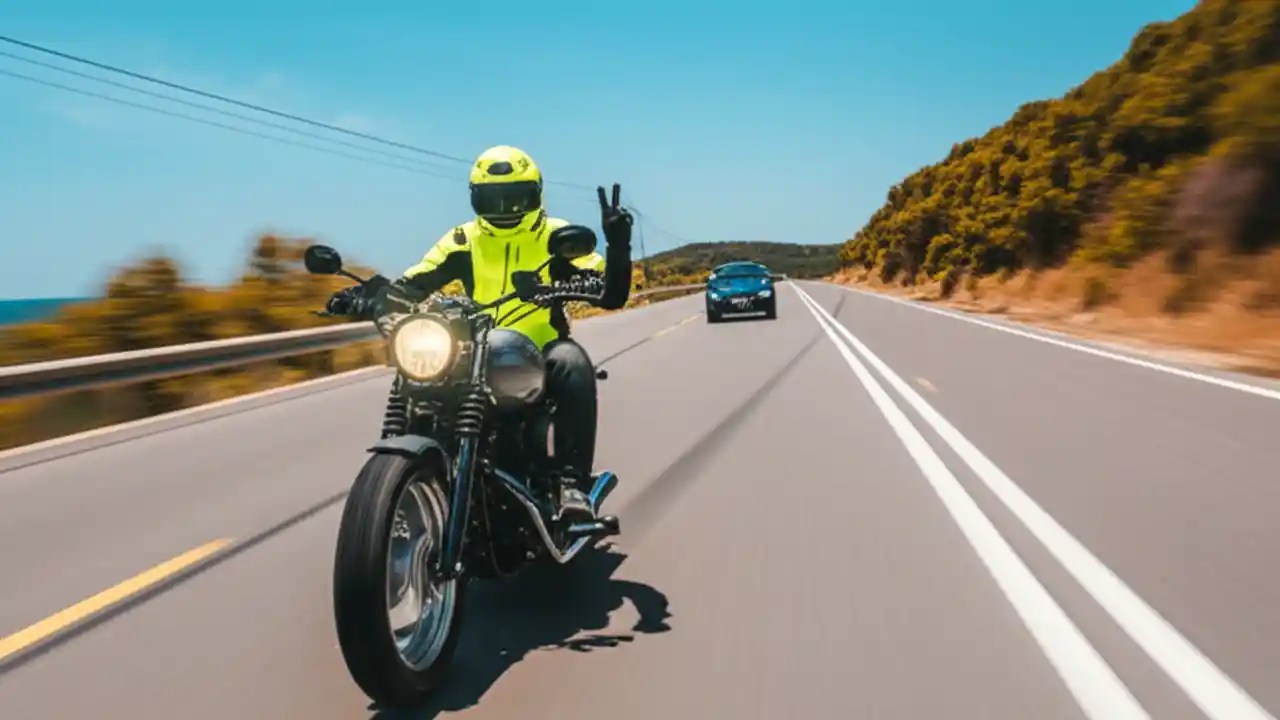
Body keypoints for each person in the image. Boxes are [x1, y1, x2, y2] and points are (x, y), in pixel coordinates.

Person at [331, 145, 633, 520]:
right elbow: (413, 282)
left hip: (538, 353)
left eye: (515, 197)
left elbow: (610, 291)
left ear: (536, 195)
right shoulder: (463, 239)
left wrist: (619, 247)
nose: (505, 208)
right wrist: (368, 294)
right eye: (494, 198)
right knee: (420, 374)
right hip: (471, 352)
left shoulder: (558, 237)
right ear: (476, 198)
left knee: (572, 362)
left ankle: (572, 484)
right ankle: (400, 491)